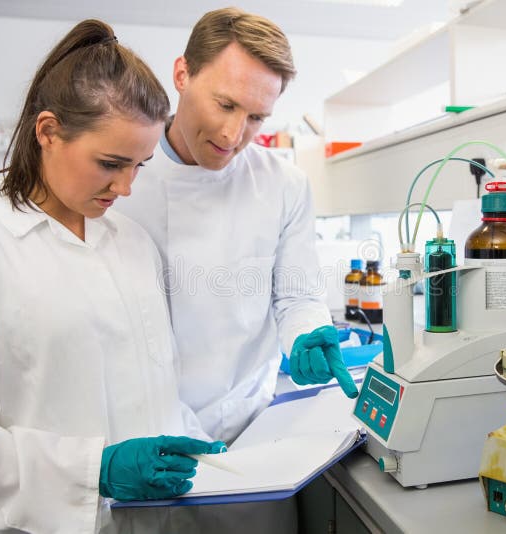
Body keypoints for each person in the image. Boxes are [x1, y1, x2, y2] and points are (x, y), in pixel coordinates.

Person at [0, 20, 224, 534]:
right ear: (48, 132)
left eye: (140, 165)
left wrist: (199, 450)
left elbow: (150, 385)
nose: (125, 187)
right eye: (110, 163)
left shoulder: (133, 243)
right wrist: (91, 471)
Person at [115, 7, 358, 447]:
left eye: (256, 117)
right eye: (225, 104)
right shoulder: (119, 180)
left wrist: (306, 331)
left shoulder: (283, 184)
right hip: (140, 435)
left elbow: (298, 294)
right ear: (182, 74)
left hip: (250, 430)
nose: (233, 133)